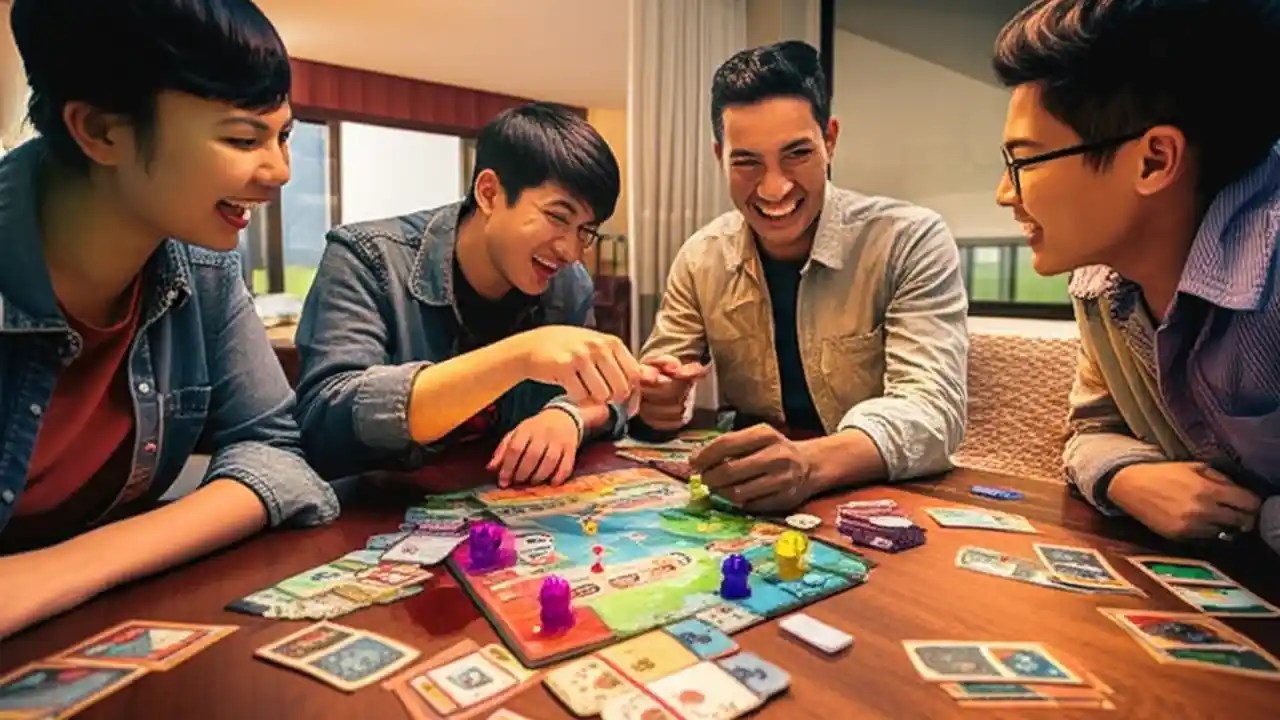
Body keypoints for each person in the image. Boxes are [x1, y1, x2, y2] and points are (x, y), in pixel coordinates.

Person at [0, 0, 338, 639]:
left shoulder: (202, 266)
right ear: (101, 131)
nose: (279, 173)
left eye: (283, 136)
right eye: (243, 139)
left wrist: (54, 572)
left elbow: (274, 450)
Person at [992, 0, 1280, 552]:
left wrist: (1258, 516)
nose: (1006, 193)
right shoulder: (1102, 283)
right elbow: (1092, 430)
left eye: (1023, 162)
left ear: (1153, 161)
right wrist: (1127, 478)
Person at [635, 41, 969, 514]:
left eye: (797, 154)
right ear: (719, 156)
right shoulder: (699, 258)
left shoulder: (909, 240)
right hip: (751, 499)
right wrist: (659, 404)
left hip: (881, 497)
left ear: (830, 140)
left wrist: (809, 463)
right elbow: (660, 384)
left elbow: (934, 414)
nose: (774, 188)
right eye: (747, 162)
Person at [295, 103, 653, 486]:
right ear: (489, 193)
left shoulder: (568, 284)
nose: (571, 251)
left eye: (586, 231)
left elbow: (604, 397)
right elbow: (326, 422)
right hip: (376, 512)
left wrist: (568, 416)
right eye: (558, 217)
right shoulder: (367, 258)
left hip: (504, 513)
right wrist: (519, 357)